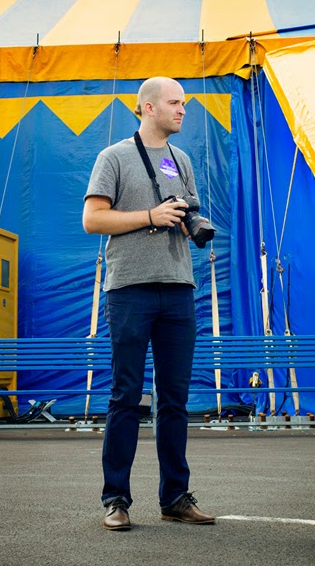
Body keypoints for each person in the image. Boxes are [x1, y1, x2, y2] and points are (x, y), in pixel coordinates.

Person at [83, 76, 216, 532]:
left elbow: (186, 209)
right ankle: (116, 499)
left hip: (178, 288)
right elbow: (92, 219)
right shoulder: (113, 157)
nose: (182, 110)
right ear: (147, 108)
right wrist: (150, 216)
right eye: (175, 103)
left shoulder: (181, 159)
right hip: (130, 290)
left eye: (184, 103)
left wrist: (190, 220)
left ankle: (175, 497)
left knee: (175, 399)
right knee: (125, 396)